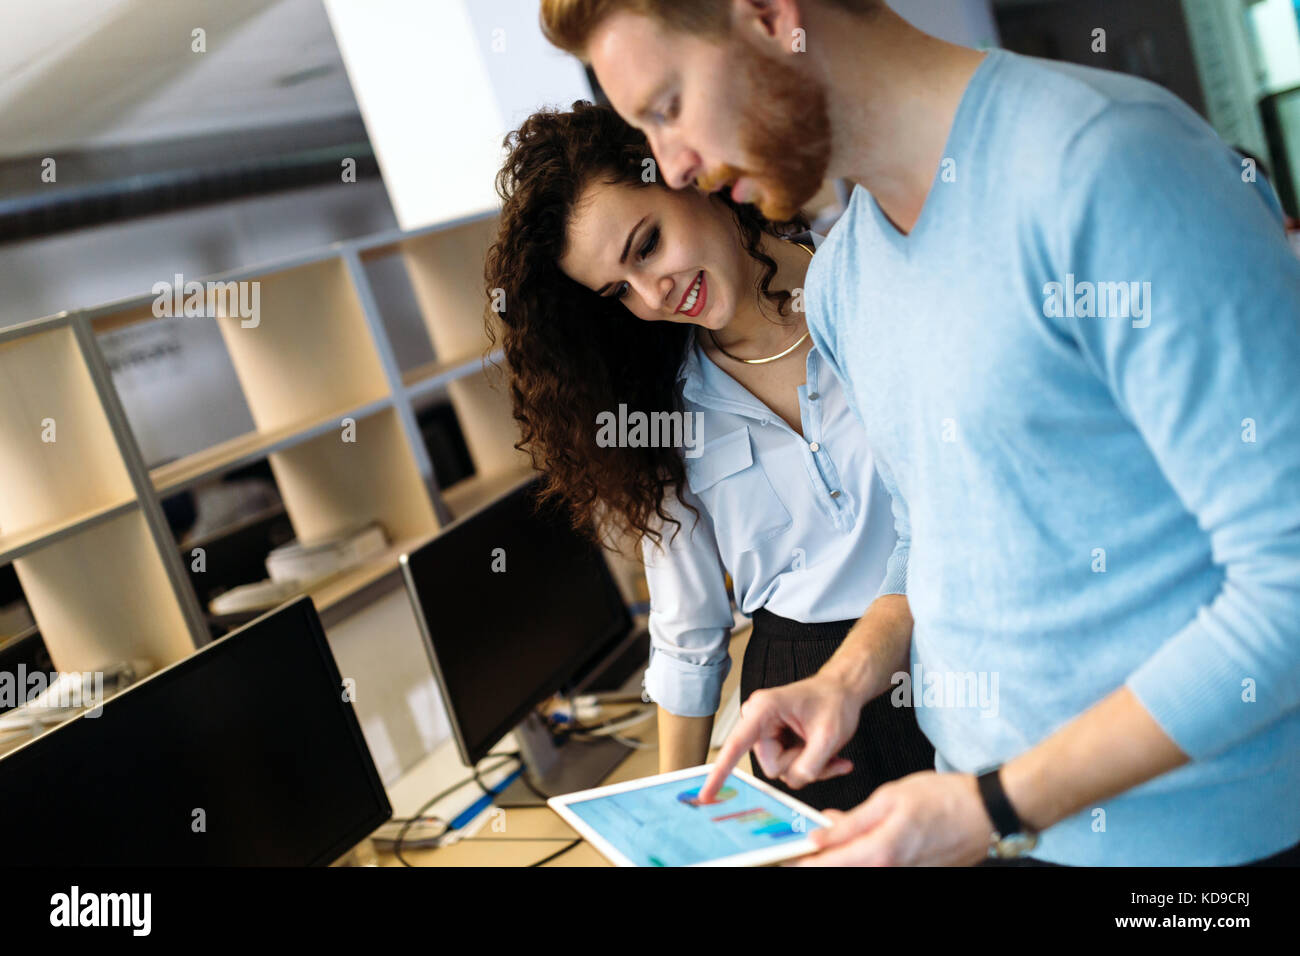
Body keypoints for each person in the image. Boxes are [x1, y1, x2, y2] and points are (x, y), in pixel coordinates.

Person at [539, 0, 1300, 866]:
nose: (673, 164)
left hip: (1205, 857)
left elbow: (1289, 585)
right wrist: (845, 680)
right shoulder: (848, 278)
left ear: (764, 15)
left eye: (667, 107)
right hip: (1002, 830)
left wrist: (992, 804)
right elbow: (927, 540)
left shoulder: (1105, 161)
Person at [483, 101, 933, 811]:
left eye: (647, 245)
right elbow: (689, 627)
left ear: (687, 175)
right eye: (617, 291)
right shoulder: (663, 412)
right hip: (804, 701)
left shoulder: (868, 279)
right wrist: (677, 812)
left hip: (954, 638)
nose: (651, 293)